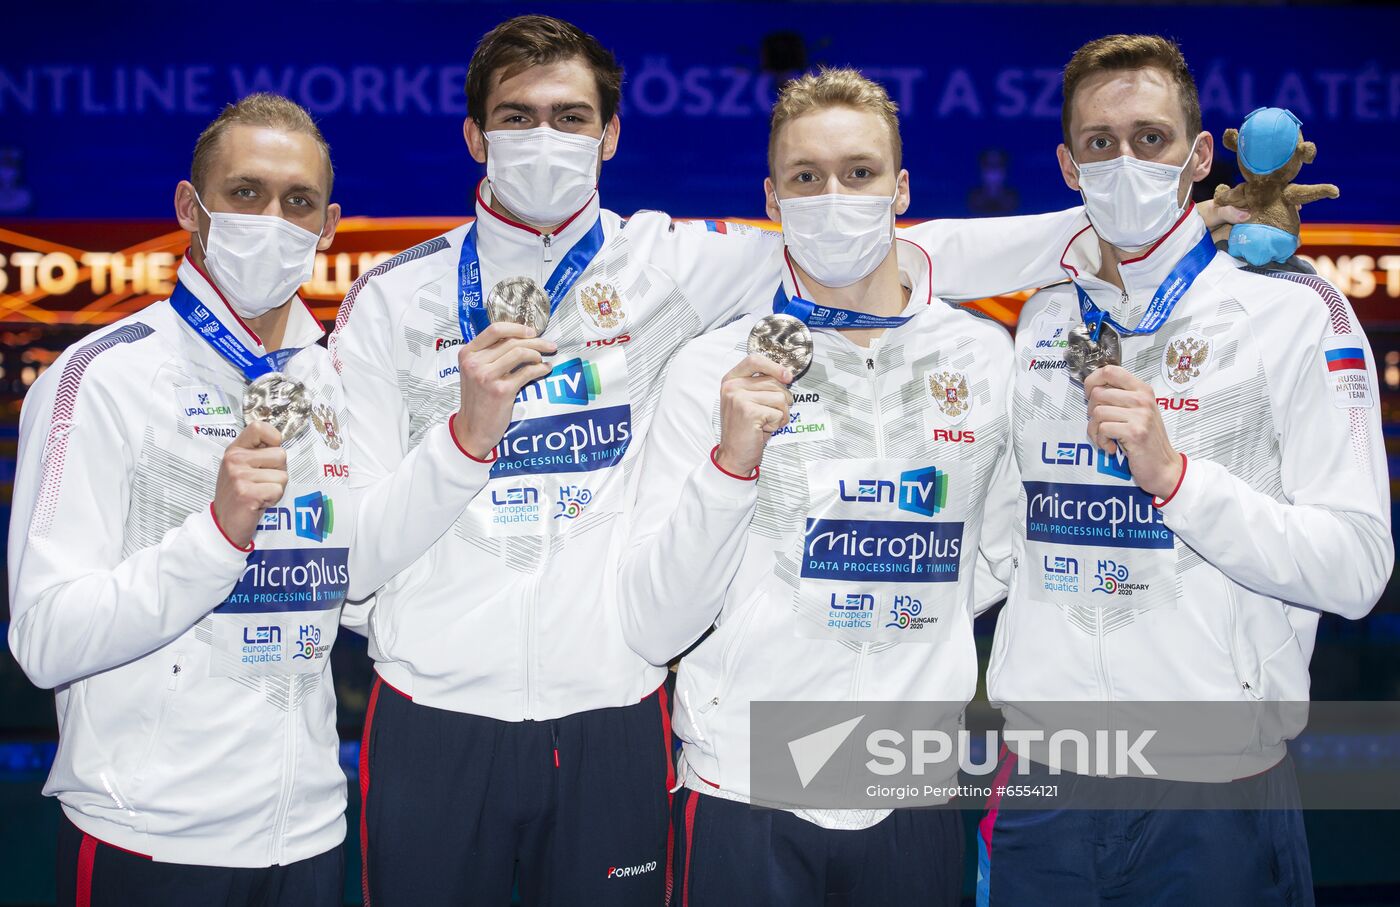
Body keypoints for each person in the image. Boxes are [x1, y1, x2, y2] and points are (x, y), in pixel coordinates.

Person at [330, 14, 1253, 905]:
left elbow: (904, 255)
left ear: (609, 135)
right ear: (473, 134)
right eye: (516, 117)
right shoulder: (391, 298)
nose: (544, 138)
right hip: (441, 708)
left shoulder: (678, 262)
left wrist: (1186, 216)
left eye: (569, 117)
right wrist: (463, 441)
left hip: (622, 709)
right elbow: (355, 560)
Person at [8, 93, 490, 907]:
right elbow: (45, 640)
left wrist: (467, 444)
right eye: (245, 193)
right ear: (190, 208)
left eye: (297, 201)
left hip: (304, 831)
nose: (272, 218)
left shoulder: (331, 381)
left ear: (327, 225)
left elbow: (358, 575)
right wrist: (220, 535)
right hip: (150, 834)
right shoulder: (102, 378)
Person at [975, 34, 1392, 907]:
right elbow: (1009, 538)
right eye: (1099, 142)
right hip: (1044, 779)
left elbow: (1356, 569)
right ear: (1066, 163)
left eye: (1151, 138)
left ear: (1200, 156)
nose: (1125, 161)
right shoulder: (1045, 319)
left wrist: (1176, 479)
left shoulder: (1294, 313)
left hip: (1214, 785)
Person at [619, 67, 1021, 906]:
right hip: (746, 785)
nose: (833, 195)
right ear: (773, 198)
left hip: (914, 788)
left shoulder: (982, 356)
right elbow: (655, 621)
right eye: (807, 178)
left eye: (859, 172)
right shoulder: (710, 368)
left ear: (901, 187)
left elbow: (991, 560)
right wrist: (730, 466)